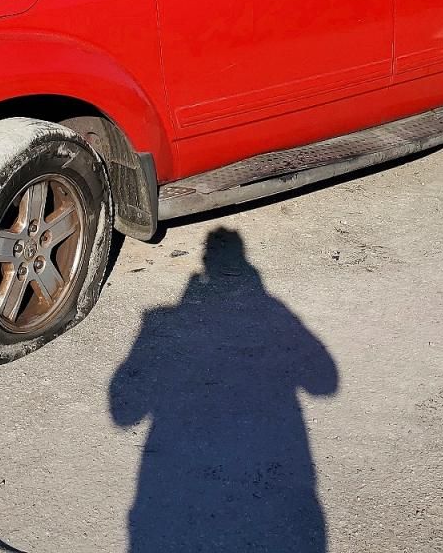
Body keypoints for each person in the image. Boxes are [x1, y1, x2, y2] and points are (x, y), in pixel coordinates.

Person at [110, 226, 339, 552]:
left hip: (168, 508)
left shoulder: (161, 321)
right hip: (268, 514)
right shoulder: (273, 312)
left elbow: (124, 414)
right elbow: (325, 382)